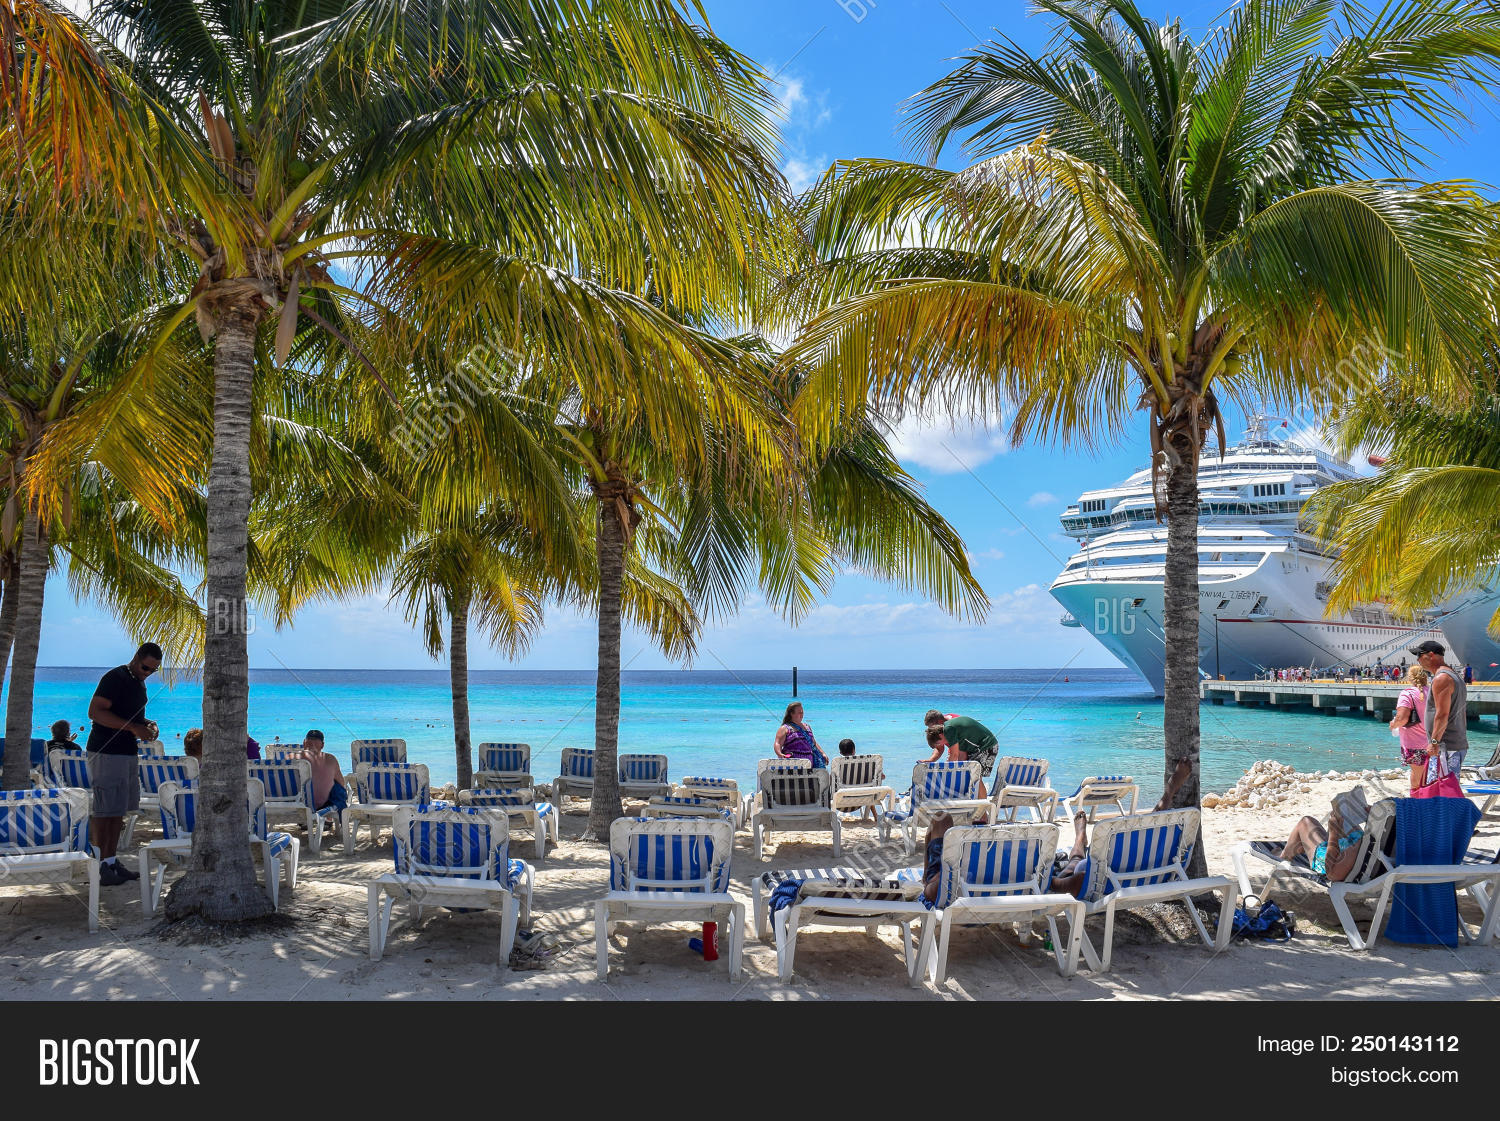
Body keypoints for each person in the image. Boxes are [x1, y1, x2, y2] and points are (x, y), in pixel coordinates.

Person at [85, 643, 161, 885]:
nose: (147, 672)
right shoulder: (115, 677)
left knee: (117, 810)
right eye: (145, 667)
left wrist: (147, 724)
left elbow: (130, 716)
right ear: (136, 657)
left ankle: (110, 861)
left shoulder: (137, 681)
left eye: (153, 670)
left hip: (127, 752)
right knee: (104, 810)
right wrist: (133, 727)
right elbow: (95, 712)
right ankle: (99, 866)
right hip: (107, 752)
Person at [1413, 639, 1469, 779]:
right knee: (1447, 788)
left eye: (1419, 655)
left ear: (1431, 655)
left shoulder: (1442, 678)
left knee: (1440, 790)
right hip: (1452, 743)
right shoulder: (1453, 675)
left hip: (1445, 746)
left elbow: (1442, 714)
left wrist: (1434, 743)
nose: (1418, 659)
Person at [1269, 801, 1365, 882]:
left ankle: (1285, 856)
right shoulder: (1375, 839)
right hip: (1352, 850)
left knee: (1305, 822)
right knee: (1342, 816)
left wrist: (1333, 833)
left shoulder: (1358, 849)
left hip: (1328, 863)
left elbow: (1332, 873)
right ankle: (1301, 844)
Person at [929, 713, 1000, 786]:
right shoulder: (949, 727)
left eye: (939, 743)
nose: (941, 745)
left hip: (986, 746)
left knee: (974, 777)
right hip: (980, 747)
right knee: (968, 775)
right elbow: (961, 755)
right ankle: (973, 794)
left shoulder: (949, 729)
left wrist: (947, 775)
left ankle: (980, 796)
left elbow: (955, 755)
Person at [1389, 665, 1430, 792]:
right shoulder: (1433, 692)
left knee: (1417, 776)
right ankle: (1428, 800)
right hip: (1433, 742)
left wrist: (1393, 725)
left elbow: (1401, 719)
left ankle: (1417, 802)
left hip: (1414, 743)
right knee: (1429, 775)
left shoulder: (1407, 694)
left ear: (1410, 678)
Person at [299, 730, 347, 818]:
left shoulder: (292, 760)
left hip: (300, 802)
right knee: (337, 787)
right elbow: (341, 783)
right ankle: (327, 816)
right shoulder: (330, 759)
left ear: (304, 743)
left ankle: (307, 819)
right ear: (322, 745)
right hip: (323, 802)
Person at [772, 702, 828, 768]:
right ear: (792, 714)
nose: (802, 715)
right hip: (792, 766)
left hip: (810, 765)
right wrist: (779, 754)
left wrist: (822, 753)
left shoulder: (807, 727)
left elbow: (814, 743)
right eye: (799, 713)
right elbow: (778, 743)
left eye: (802, 712)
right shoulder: (785, 728)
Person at [921, 812, 956, 904]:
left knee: (941, 816)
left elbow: (946, 874)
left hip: (941, 883)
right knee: (943, 817)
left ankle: (927, 876)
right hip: (970, 885)